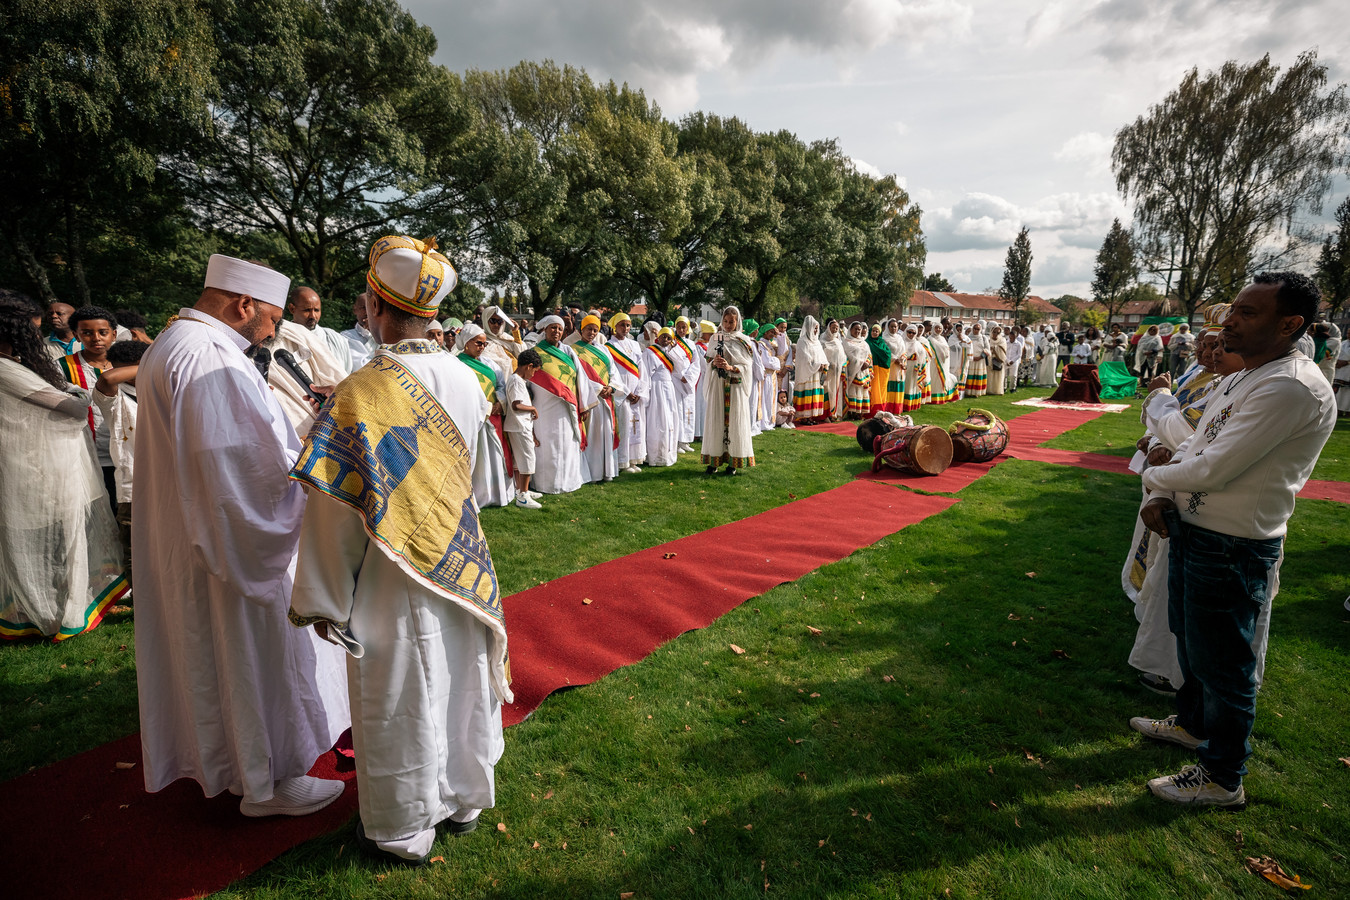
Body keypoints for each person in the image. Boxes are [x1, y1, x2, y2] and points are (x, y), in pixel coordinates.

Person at [289, 235, 510, 864]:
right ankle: (466, 796)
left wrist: (326, 593)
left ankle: (401, 827)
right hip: (460, 549)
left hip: (390, 565)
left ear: (374, 306)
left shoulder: (364, 389)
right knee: (461, 675)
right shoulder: (467, 377)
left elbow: (336, 504)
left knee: (401, 689)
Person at [134, 254, 350, 817]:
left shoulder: (178, 342)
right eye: (273, 318)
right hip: (232, 542)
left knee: (217, 657)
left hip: (196, 531)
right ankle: (267, 781)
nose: (276, 330)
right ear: (243, 305)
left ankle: (238, 768)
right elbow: (232, 466)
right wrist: (306, 485)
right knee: (249, 654)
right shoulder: (208, 356)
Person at [1132, 272, 1335, 808]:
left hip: (1234, 544)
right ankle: (1195, 725)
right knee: (1191, 641)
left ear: (1290, 324)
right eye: (1233, 309)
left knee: (1225, 663)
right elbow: (1196, 442)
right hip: (1198, 532)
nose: (1229, 322)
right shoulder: (1247, 374)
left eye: (1246, 313)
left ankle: (1223, 776)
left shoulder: (1289, 386)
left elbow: (1212, 468)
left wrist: (1155, 480)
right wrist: (1165, 494)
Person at [0, 291, 127, 640]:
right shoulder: (4, 367)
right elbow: (70, 407)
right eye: (31, 328)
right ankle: (54, 613)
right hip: (37, 468)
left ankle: (51, 603)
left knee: (62, 537)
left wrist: (73, 393)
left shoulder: (13, 364)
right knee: (52, 540)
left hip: (41, 464)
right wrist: (80, 393)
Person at [91, 340, 146, 587]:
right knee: (136, 549)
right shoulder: (115, 397)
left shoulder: (162, 387)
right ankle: (141, 602)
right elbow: (108, 379)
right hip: (133, 486)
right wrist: (150, 364)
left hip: (170, 483)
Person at [61, 307, 119, 509]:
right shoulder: (61, 367)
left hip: (127, 454)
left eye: (102, 332)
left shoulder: (129, 363)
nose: (96, 338)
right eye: (87, 333)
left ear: (114, 333)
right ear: (76, 335)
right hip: (86, 456)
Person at [529, 315, 595, 494]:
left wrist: (584, 405)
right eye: (553, 328)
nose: (556, 331)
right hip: (543, 408)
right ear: (544, 329)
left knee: (567, 443)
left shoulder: (568, 351)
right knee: (547, 445)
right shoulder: (534, 352)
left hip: (568, 408)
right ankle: (545, 484)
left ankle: (569, 481)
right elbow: (526, 379)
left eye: (559, 328)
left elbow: (581, 378)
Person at [455, 324, 514, 509]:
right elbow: (459, 392)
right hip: (471, 419)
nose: (482, 347)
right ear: (466, 343)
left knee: (494, 455)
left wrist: (499, 403)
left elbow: (501, 386)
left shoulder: (490, 364)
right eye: (478, 343)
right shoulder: (456, 364)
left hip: (492, 418)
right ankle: (476, 495)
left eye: (484, 343)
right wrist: (484, 407)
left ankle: (496, 494)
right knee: (475, 456)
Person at [702, 307, 756, 476]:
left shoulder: (743, 340)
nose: (727, 325)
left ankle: (733, 462)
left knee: (735, 420)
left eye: (731, 322)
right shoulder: (716, 338)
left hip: (735, 385)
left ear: (737, 321)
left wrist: (731, 367)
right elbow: (708, 360)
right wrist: (714, 364)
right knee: (716, 420)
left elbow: (748, 367)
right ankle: (714, 461)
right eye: (725, 321)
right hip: (718, 385)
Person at [574, 315, 623, 482]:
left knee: (607, 433)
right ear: (582, 329)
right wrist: (597, 388)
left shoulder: (604, 350)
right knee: (592, 435)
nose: (592, 333)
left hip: (607, 398)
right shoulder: (573, 350)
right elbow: (577, 376)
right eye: (589, 329)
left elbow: (614, 372)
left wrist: (611, 386)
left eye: (595, 330)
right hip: (590, 399)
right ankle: (593, 473)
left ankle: (608, 471)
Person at [643, 327, 691, 467]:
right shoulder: (650, 351)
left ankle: (667, 453)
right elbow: (646, 373)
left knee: (670, 420)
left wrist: (674, 349)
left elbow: (680, 368)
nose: (665, 340)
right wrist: (648, 392)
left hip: (668, 388)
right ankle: (655, 455)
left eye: (669, 338)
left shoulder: (670, 353)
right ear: (658, 336)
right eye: (663, 337)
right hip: (656, 388)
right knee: (657, 420)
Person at [606, 313, 647, 473]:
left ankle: (634, 459)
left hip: (636, 392)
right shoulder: (609, 346)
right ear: (615, 326)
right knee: (623, 426)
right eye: (622, 325)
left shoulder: (635, 344)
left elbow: (641, 368)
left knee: (636, 425)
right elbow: (612, 371)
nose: (625, 328)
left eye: (628, 325)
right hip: (622, 393)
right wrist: (626, 392)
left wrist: (639, 391)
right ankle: (623, 461)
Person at [503, 349, 544, 508]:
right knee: (528, 459)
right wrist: (532, 408)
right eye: (534, 371)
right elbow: (516, 404)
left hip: (519, 425)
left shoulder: (517, 380)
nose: (533, 375)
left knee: (521, 460)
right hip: (520, 426)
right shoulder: (516, 381)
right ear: (529, 366)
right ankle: (523, 495)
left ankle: (522, 490)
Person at [288, 286, 354, 373]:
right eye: (307, 310)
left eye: (316, 310)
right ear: (292, 309)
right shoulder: (283, 337)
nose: (313, 316)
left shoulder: (337, 339)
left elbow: (347, 373)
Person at [671, 316, 702, 451]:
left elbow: (696, 363)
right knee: (678, 409)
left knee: (688, 410)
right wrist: (680, 375)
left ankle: (686, 440)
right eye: (679, 327)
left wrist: (689, 377)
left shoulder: (691, 344)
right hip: (676, 380)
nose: (682, 330)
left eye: (684, 327)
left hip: (688, 381)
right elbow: (671, 361)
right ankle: (677, 440)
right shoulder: (672, 342)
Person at [792, 315, 828, 423]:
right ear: (808, 328)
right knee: (806, 392)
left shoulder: (817, 342)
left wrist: (824, 364)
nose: (816, 330)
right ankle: (804, 417)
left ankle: (811, 416)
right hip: (806, 374)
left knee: (814, 394)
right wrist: (818, 364)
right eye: (814, 328)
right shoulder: (802, 341)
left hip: (816, 373)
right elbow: (805, 358)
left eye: (817, 328)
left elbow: (822, 356)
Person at [481, 306, 525, 372]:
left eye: (499, 322)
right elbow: (489, 363)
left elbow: (522, 355)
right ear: (485, 320)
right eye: (493, 321)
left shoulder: (506, 337)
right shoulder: (481, 340)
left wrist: (516, 333)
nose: (496, 325)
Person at [843, 322, 873, 418]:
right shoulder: (846, 342)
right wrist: (860, 363)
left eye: (859, 329)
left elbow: (869, 355)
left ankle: (859, 412)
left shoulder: (863, 342)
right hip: (852, 371)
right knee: (852, 391)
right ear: (850, 329)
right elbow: (848, 356)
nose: (857, 331)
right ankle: (851, 412)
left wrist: (867, 363)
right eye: (855, 329)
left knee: (861, 391)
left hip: (863, 371)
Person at [341, 292, 379, 369]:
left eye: (372, 308)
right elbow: (358, 366)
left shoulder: (383, 336)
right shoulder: (345, 337)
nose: (369, 312)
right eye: (364, 308)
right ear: (355, 310)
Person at [821, 318, 848, 421]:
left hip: (838, 372)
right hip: (828, 373)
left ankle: (835, 414)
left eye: (837, 327)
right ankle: (826, 414)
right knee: (828, 391)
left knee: (836, 392)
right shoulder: (823, 341)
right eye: (833, 327)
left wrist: (843, 366)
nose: (835, 329)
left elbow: (843, 356)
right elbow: (822, 356)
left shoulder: (838, 341)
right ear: (828, 328)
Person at [867, 323, 890, 414]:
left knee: (881, 389)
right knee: (873, 389)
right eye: (873, 331)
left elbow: (888, 355)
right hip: (872, 369)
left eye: (877, 331)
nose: (875, 333)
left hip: (882, 370)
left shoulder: (882, 343)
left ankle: (880, 409)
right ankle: (871, 410)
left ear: (880, 333)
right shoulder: (867, 342)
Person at [964, 321, 989, 398]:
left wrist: (981, 356)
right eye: (974, 328)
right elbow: (964, 348)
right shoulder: (968, 337)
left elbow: (987, 349)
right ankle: (968, 392)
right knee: (969, 376)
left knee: (978, 376)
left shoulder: (983, 338)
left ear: (980, 329)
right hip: (970, 359)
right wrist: (971, 356)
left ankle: (977, 392)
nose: (976, 330)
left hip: (980, 361)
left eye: (978, 329)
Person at [947, 323, 970, 401]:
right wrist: (959, 343)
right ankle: (953, 394)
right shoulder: (951, 338)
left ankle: (960, 395)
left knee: (962, 377)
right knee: (953, 376)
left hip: (963, 361)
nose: (959, 331)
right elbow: (951, 348)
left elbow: (969, 347)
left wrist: (961, 340)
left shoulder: (967, 338)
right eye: (958, 330)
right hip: (953, 360)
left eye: (961, 330)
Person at [987, 325, 1007, 396]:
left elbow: (1003, 350)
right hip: (990, 360)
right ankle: (989, 390)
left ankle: (997, 390)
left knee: (998, 376)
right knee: (990, 375)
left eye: (998, 333)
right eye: (994, 332)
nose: (995, 334)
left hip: (998, 360)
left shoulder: (1002, 340)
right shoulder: (988, 340)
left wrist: (994, 349)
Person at [1006, 326, 1024, 394]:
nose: (1011, 338)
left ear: (1016, 336)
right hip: (1006, 360)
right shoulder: (1006, 342)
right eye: (1010, 337)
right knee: (1005, 375)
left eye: (1013, 337)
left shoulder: (1018, 344)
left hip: (1014, 361)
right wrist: (1007, 360)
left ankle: (1012, 388)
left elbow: (1019, 354)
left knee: (1013, 376)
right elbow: (1004, 352)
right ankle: (1004, 388)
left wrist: (1012, 361)